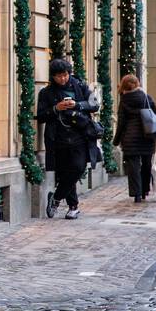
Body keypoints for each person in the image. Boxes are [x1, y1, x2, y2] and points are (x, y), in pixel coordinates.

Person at [36, 58, 99, 220]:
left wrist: (77, 105)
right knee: (64, 173)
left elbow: (95, 104)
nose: (62, 79)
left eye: (65, 75)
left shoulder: (80, 86)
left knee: (77, 168)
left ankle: (56, 199)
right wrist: (56, 108)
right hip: (58, 138)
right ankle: (73, 207)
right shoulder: (46, 93)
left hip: (79, 135)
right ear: (53, 77)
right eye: (58, 76)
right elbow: (41, 116)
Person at [113, 74, 156, 203]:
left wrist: (116, 140)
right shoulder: (146, 97)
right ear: (137, 83)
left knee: (133, 166)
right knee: (146, 164)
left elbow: (121, 123)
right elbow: (155, 113)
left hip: (130, 138)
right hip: (147, 135)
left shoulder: (124, 100)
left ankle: (137, 194)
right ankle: (145, 190)